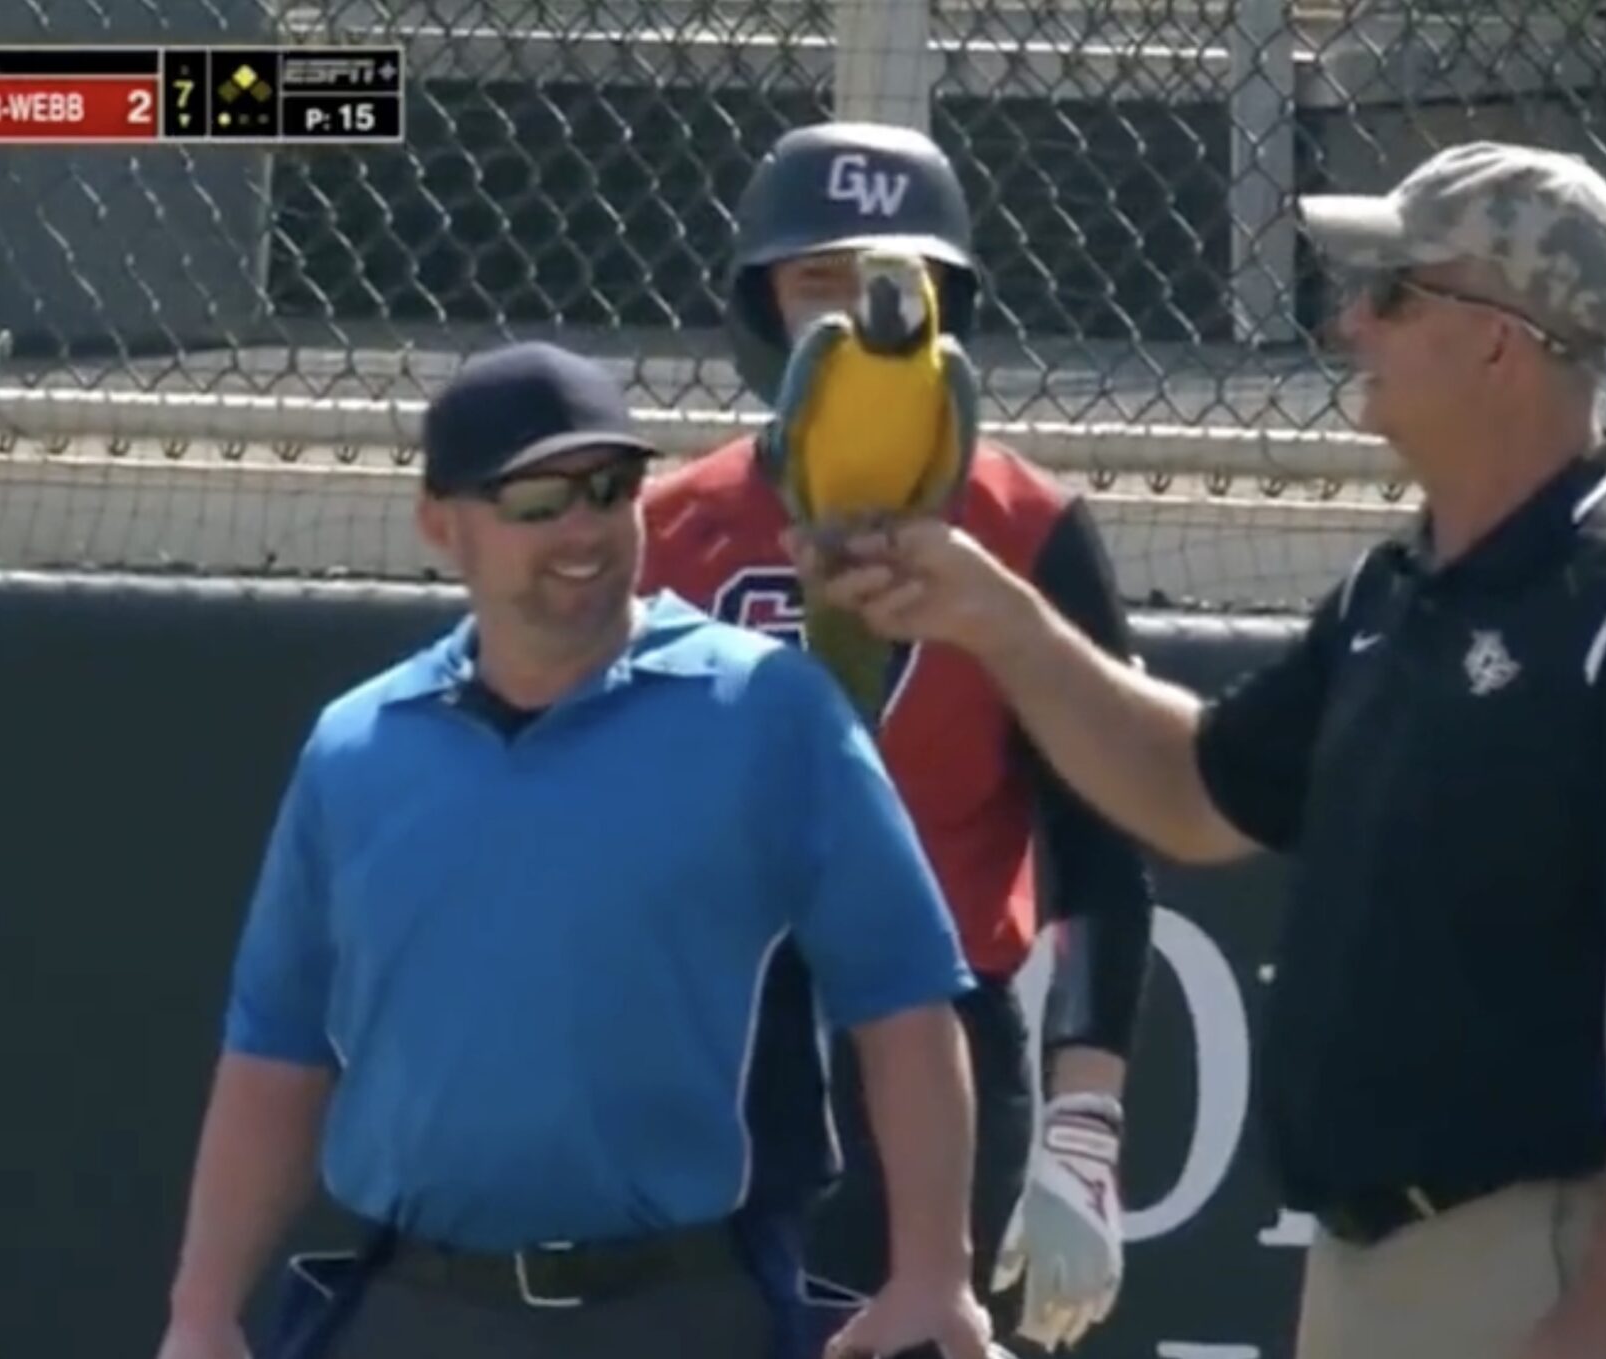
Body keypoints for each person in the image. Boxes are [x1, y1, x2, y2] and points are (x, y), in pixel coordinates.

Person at [790, 141, 1606, 1359]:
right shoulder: (1399, 586)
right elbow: (1197, 793)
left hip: (1545, 1264)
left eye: (1395, 292)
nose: (1351, 323)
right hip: (1373, 1259)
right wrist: (989, 615)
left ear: (1495, 342)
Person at [150, 340, 1000, 1359]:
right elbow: (277, 1047)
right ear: (440, 522)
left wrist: (934, 1275)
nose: (584, 530)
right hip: (414, 1311)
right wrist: (201, 1314)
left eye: (608, 489)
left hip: (683, 1312)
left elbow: (902, 997)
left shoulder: (770, 712)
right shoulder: (356, 749)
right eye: (537, 501)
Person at [639, 120, 1156, 1353]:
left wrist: (1085, 1127)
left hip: (933, 1053)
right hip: (697, 1037)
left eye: (876, 276)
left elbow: (1103, 840)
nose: (841, 310)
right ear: (758, 304)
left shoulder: (1022, 526)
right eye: (812, 278)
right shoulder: (670, 527)